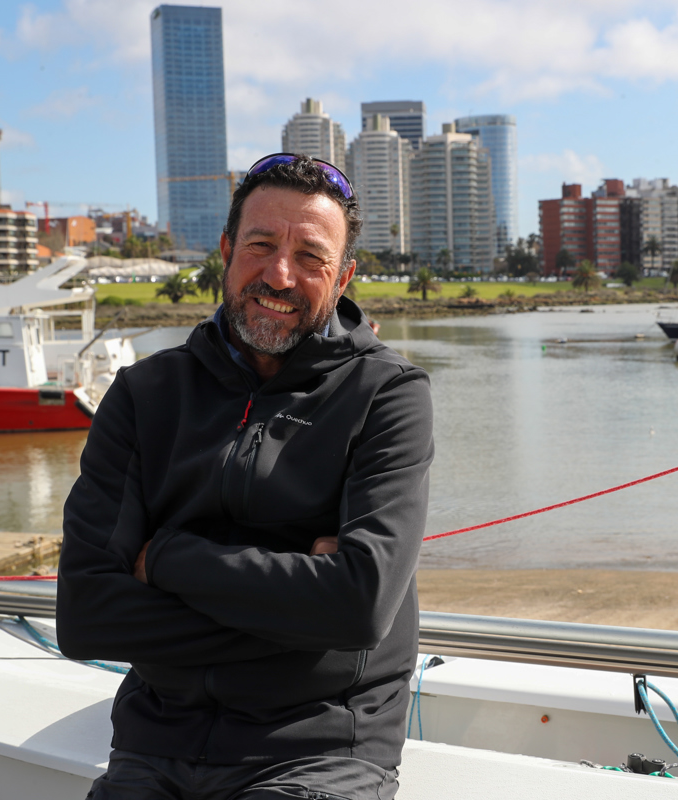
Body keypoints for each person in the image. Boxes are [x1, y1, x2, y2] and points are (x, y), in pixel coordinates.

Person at [57, 153, 434, 800]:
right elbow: (87, 617)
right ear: (227, 253)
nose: (280, 275)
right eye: (261, 245)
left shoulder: (387, 396)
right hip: (155, 745)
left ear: (342, 278)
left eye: (311, 258)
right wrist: (302, 611)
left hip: (317, 753)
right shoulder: (146, 395)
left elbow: (357, 607)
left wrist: (169, 558)